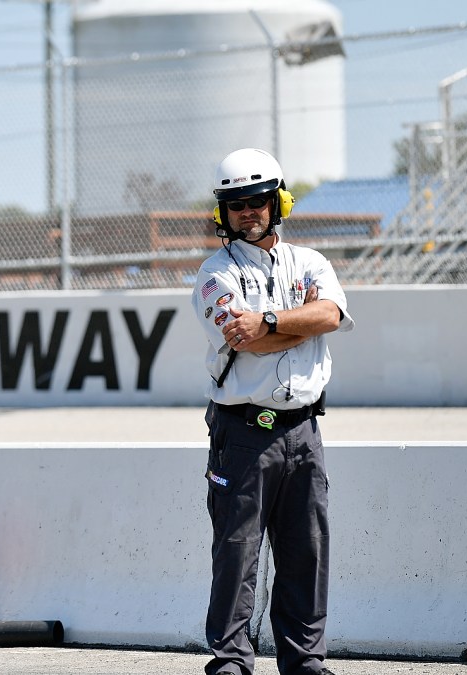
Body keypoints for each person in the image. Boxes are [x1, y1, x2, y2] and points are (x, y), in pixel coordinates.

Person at [191, 148, 355, 675]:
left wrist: (269, 319)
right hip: (243, 433)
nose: (247, 211)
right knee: (237, 554)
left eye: (257, 200)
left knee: (306, 552)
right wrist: (293, 322)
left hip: (304, 429)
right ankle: (231, 662)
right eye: (235, 203)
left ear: (278, 201)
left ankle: (304, 661)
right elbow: (250, 344)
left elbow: (330, 315)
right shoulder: (215, 273)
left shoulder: (312, 262)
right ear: (223, 212)